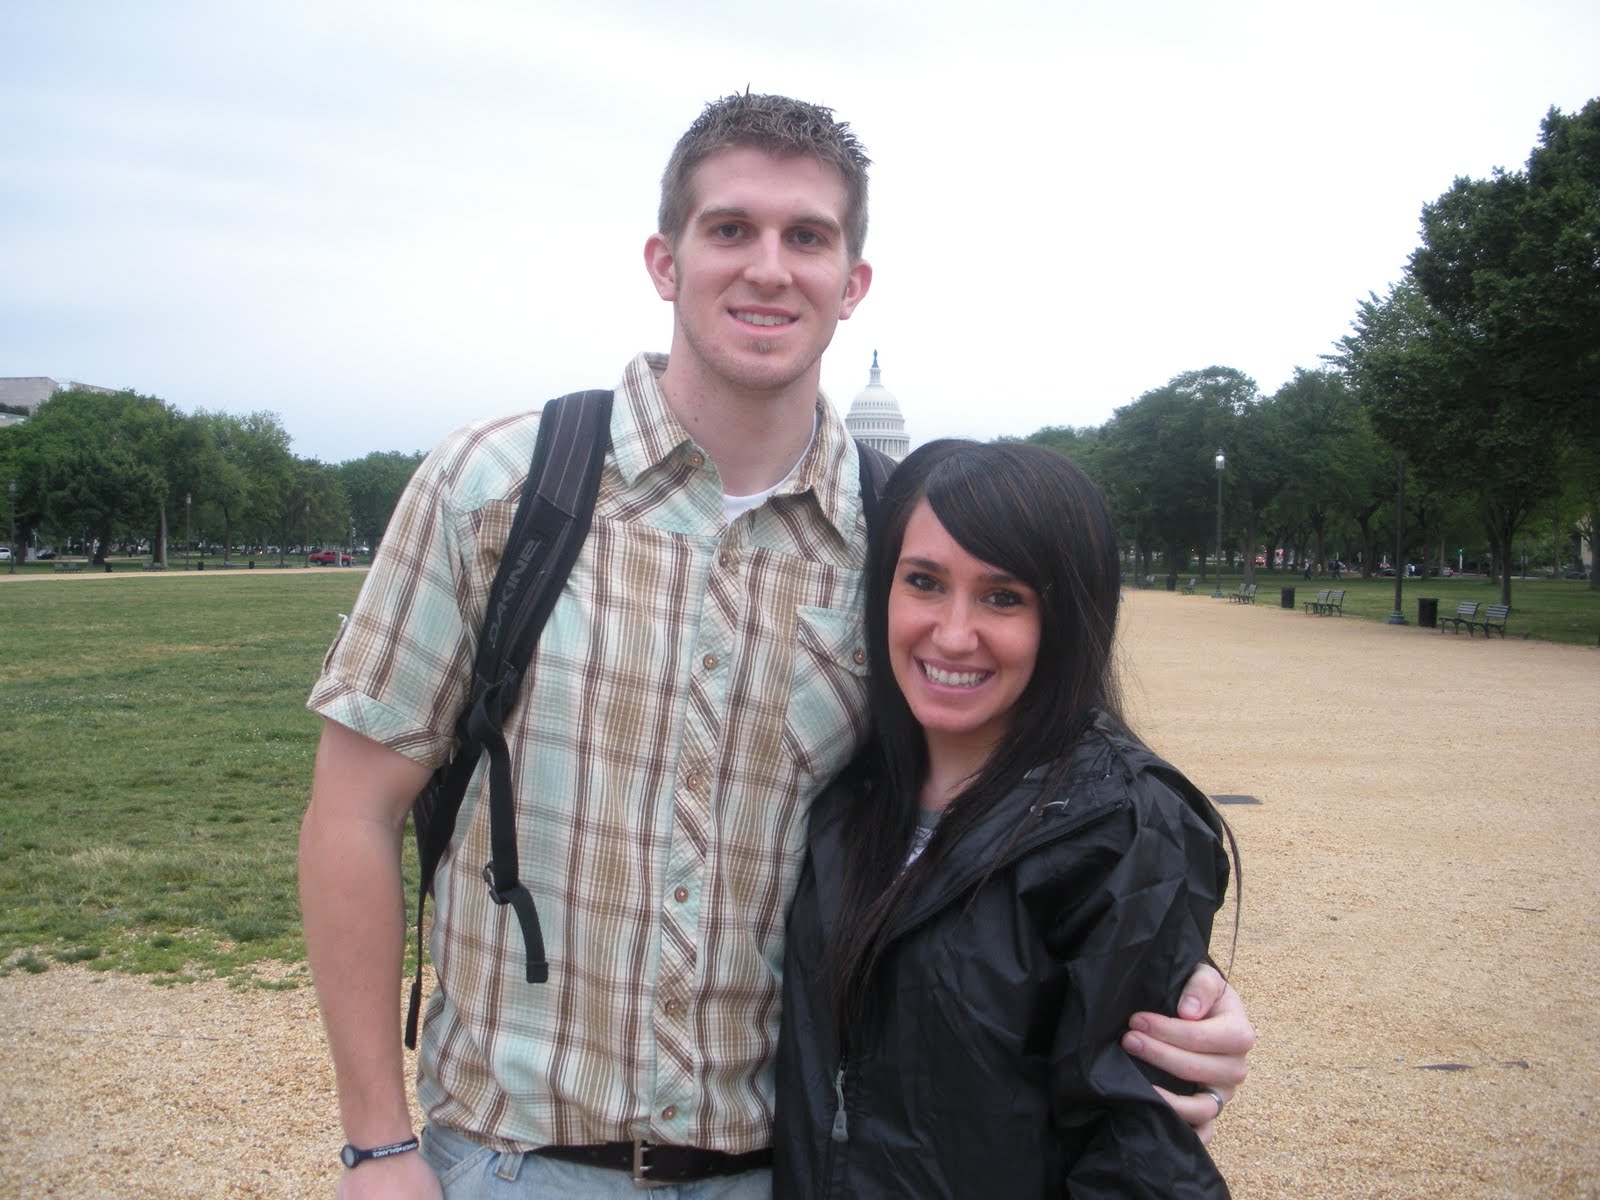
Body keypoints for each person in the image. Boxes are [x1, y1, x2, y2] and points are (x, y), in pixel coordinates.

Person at [298, 93, 1254, 1200]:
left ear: (851, 283)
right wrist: (376, 1142)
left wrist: (1169, 989)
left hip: (792, 1170)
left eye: (806, 237)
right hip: (515, 1163)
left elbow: (1026, 822)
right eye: (730, 229)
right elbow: (350, 814)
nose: (767, 267)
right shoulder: (496, 490)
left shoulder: (906, 552)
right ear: (665, 259)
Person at [774, 440, 1235, 1198]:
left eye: (1003, 597)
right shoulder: (848, 795)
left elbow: (1134, 1157)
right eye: (924, 582)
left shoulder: (1119, 828)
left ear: (1068, 614)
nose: (953, 634)